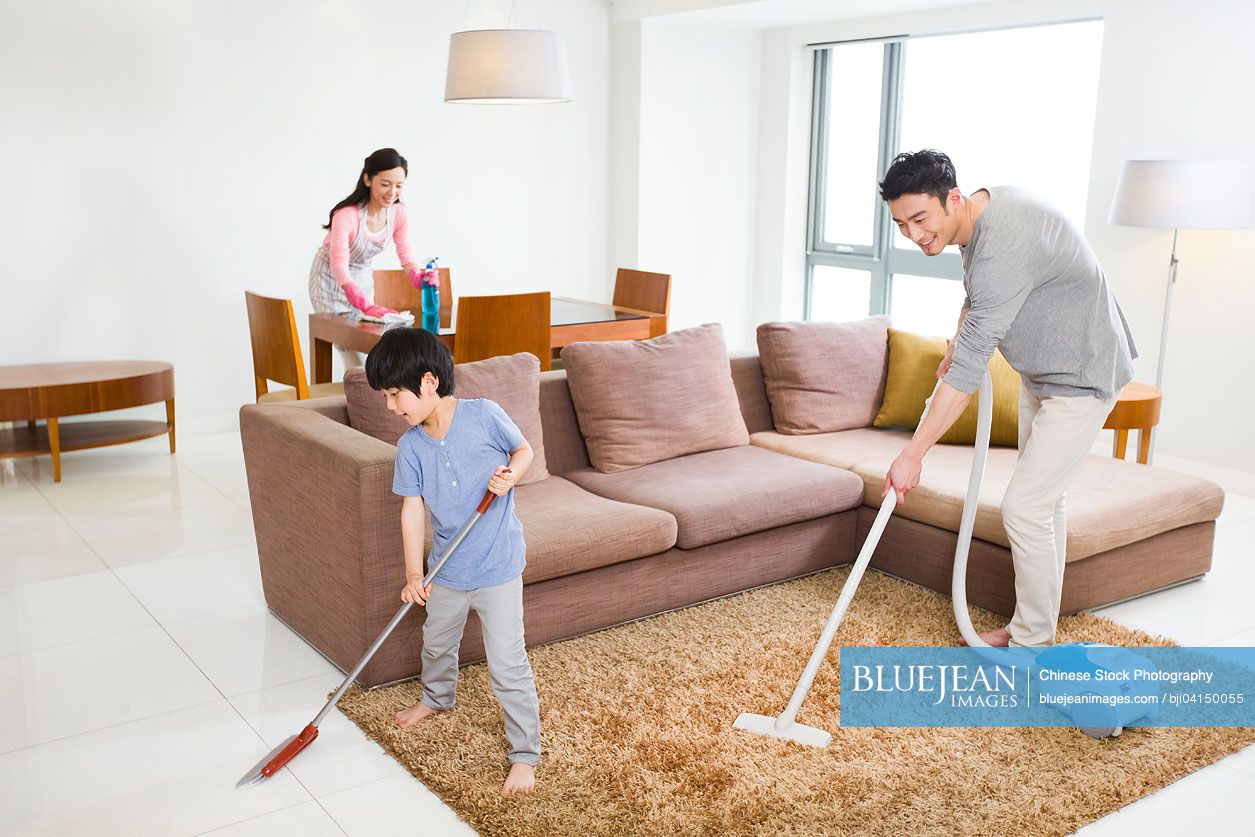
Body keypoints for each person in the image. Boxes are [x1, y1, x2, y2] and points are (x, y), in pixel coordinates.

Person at [878, 149, 1137, 649]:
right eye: (900, 224)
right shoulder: (977, 219)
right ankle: (1032, 628)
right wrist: (958, 342)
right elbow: (978, 298)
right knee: (1045, 504)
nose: (912, 235)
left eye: (919, 219)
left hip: (1083, 374)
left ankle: (1032, 646)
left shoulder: (1003, 241)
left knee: (1024, 508)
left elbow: (970, 370)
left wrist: (911, 456)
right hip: (1042, 374)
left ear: (951, 198)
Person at [364, 327, 541, 796]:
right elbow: (412, 509)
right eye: (385, 396)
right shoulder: (411, 447)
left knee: (508, 662)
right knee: (437, 643)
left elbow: (524, 450)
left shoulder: (485, 417)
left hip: (498, 566)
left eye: (395, 393)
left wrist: (511, 476)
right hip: (447, 570)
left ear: (427, 382)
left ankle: (524, 753)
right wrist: (412, 574)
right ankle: (436, 698)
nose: (391, 406)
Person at [308, 148, 438, 369]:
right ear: (367, 179)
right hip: (330, 279)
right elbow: (338, 262)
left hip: (361, 277)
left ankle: (368, 394)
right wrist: (356, 296)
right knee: (347, 346)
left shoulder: (398, 213)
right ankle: (360, 391)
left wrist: (417, 276)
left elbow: (405, 254)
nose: (392, 192)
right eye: (385, 184)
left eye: (399, 185)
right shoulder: (346, 215)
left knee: (371, 342)